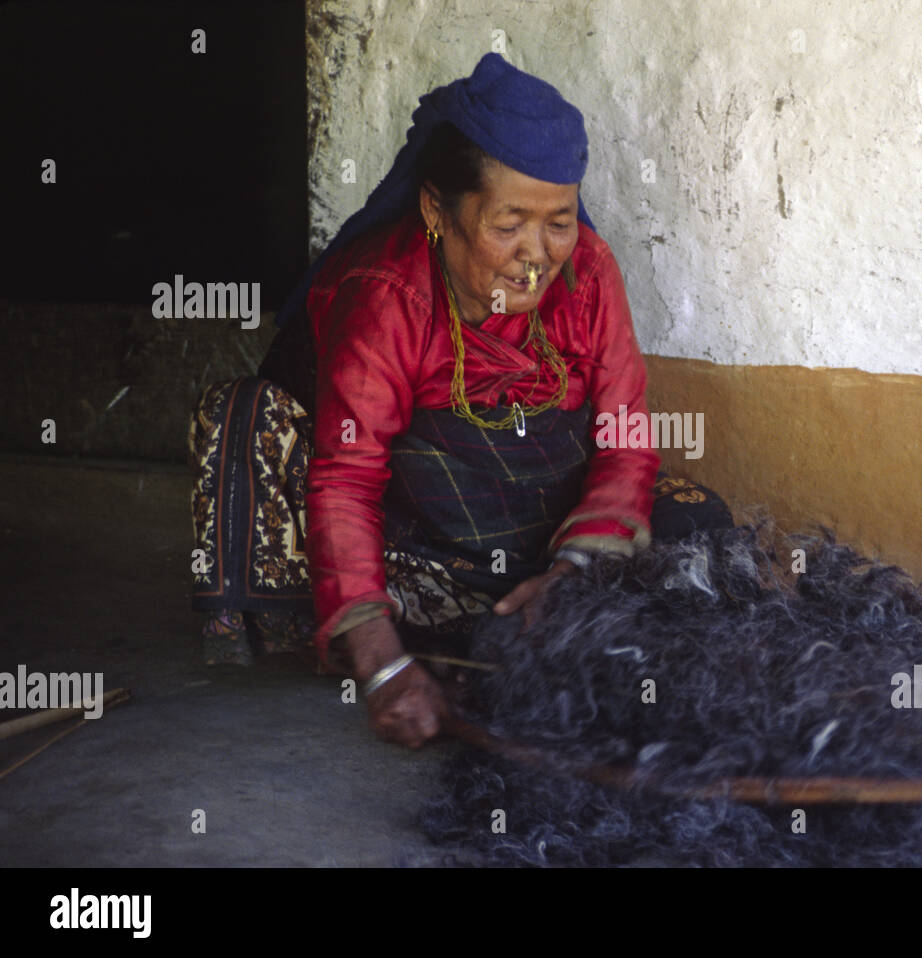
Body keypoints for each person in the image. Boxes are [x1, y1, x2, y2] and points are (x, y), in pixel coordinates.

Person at [187, 53, 732, 748]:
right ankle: (434, 640)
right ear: (436, 211)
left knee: (697, 520)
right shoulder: (388, 296)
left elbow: (626, 440)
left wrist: (574, 573)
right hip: (417, 546)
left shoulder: (590, 272)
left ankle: (509, 625)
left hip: (535, 538)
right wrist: (382, 666)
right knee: (244, 417)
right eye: (509, 225)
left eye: (558, 222)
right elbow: (347, 480)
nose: (537, 255)